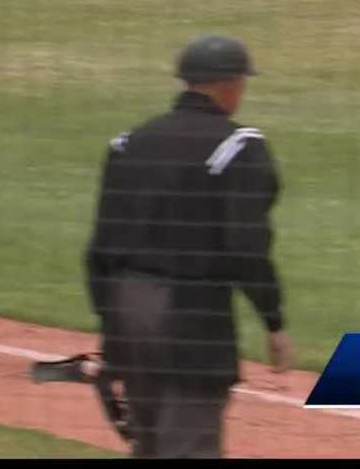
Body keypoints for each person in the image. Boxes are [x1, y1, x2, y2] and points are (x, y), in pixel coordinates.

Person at [83, 34, 293, 457]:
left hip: (127, 306)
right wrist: (273, 320)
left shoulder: (128, 143)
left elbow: (101, 246)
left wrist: (111, 325)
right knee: (190, 443)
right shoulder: (239, 147)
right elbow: (247, 248)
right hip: (191, 314)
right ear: (231, 85)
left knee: (149, 441)